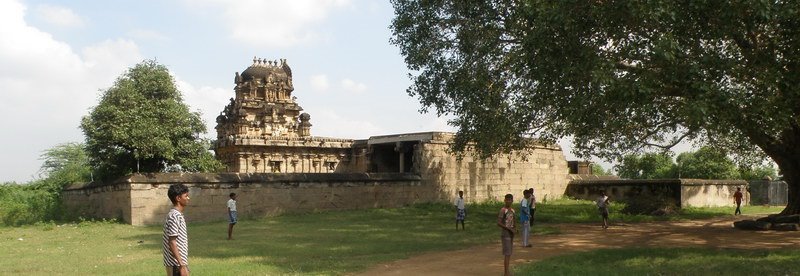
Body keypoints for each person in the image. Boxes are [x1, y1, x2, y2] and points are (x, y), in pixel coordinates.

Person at [163, 184, 190, 276]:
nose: (188, 198)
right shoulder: (175, 216)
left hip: (178, 263)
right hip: (175, 264)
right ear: (178, 198)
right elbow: (172, 242)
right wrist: (182, 265)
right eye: (186, 196)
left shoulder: (177, 214)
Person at [497, 194, 517, 276]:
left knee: (509, 253)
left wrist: (515, 229)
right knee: (507, 254)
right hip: (506, 234)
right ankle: (506, 273)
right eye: (507, 199)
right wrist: (509, 229)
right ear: (504, 200)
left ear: (512, 201)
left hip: (511, 233)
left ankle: (507, 272)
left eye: (510, 200)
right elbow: (499, 222)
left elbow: (514, 220)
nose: (508, 201)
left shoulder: (512, 210)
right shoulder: (503, 210)